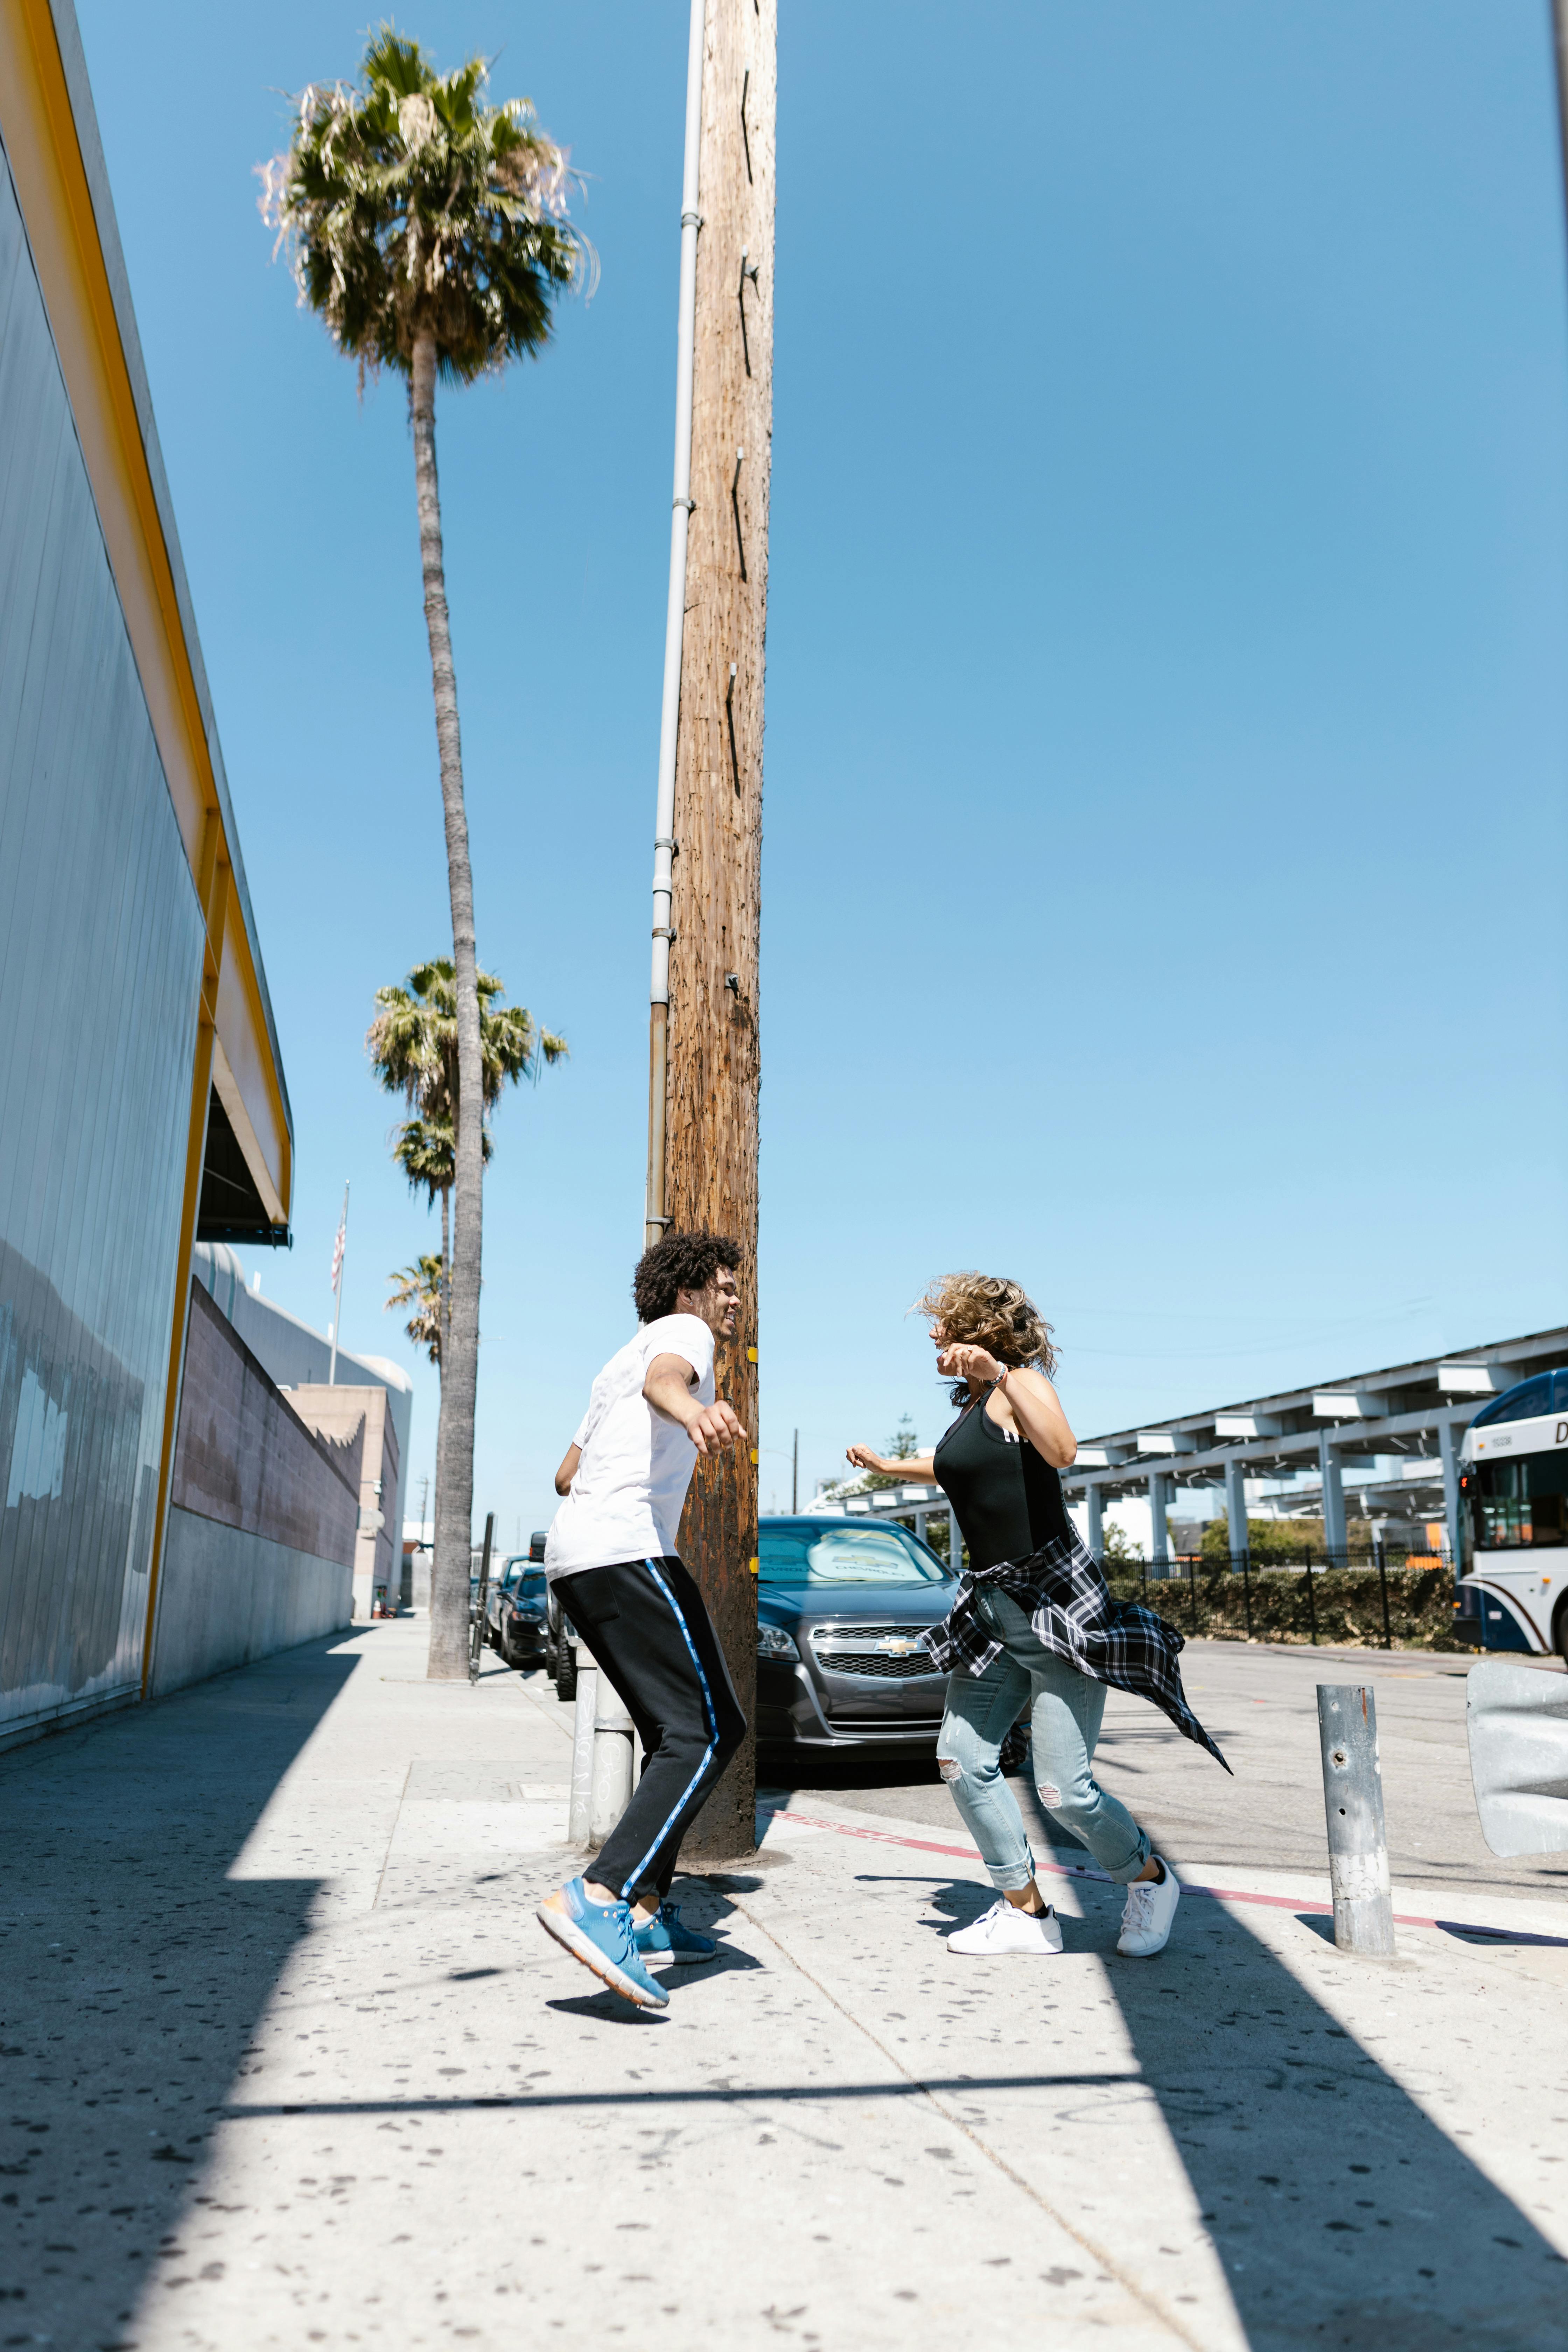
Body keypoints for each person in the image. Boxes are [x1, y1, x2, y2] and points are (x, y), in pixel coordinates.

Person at [847, 1271, 1224, 1962]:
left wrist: (998, 1372)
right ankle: (1025, 1912)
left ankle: (1149, 1877)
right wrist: (888, 1466)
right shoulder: (975, 1406)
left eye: (942, 1320)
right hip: (995, 1613)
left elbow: (1061, 1450)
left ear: (978, 1327)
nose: (933, 1332)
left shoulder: (1020, 1384)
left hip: (1055, 1608)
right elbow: (953, 1468)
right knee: (961, 1760)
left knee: (1063, 1792)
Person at [536, 1229, 749, 2009]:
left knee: (680, 1732)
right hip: (626, 1549)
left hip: (576, 1557)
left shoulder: (614, 1363)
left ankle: (648, 1913)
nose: (734, 1298)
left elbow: (565, 1474)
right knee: (706, 1731)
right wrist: (693, 1410)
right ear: (688, 1291)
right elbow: (667, 1381)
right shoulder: (682, 1333)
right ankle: (599, 1896)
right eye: (724, 1285)